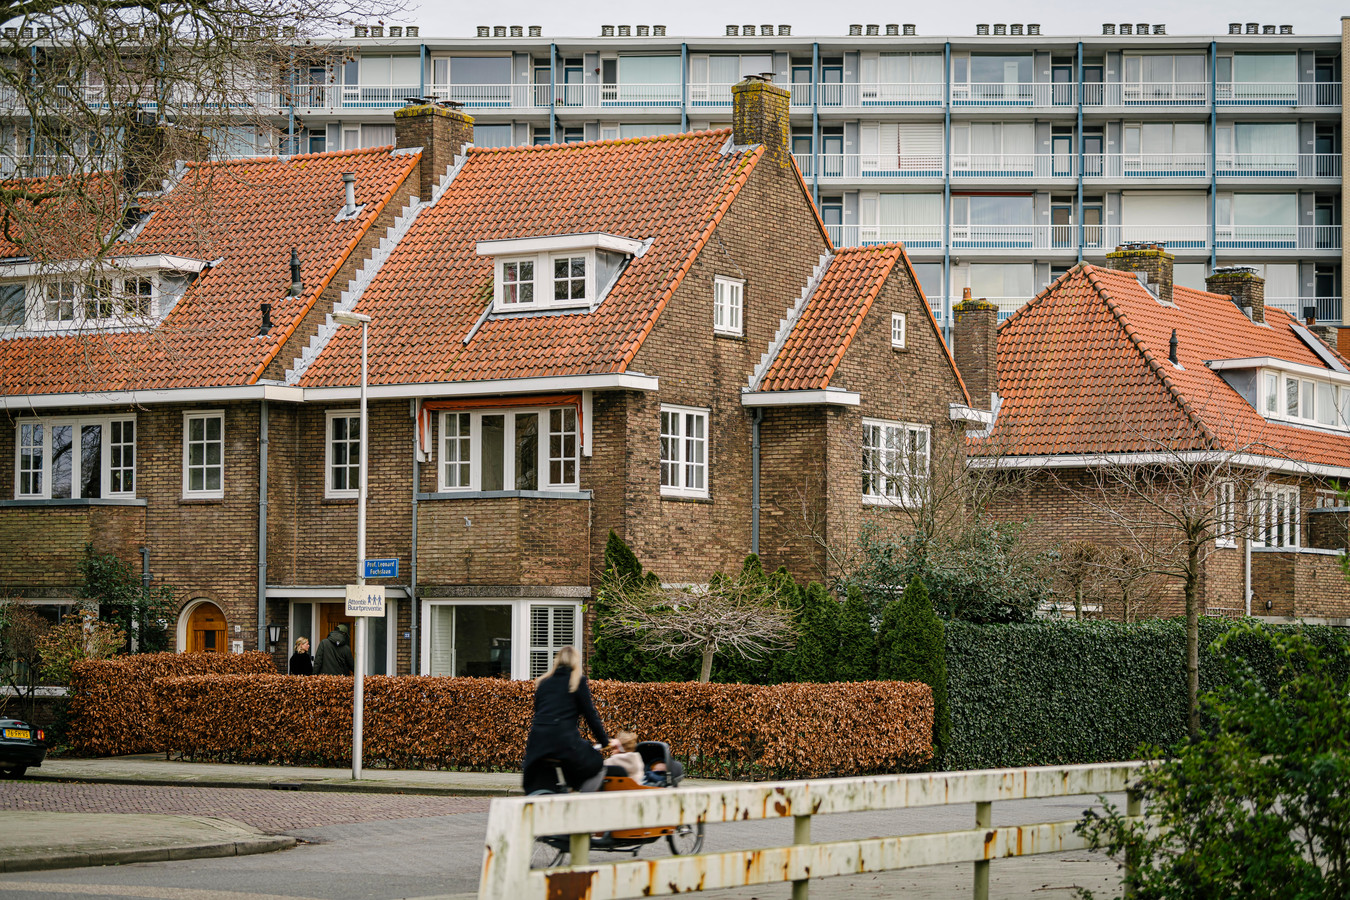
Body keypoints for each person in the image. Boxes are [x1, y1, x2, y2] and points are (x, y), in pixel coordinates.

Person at [522, 646, 618, 795]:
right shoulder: (577, 681)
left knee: (545, 778)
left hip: (538, 743)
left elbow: (539, 711)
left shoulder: (543, 682)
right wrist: (604, 741)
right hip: (563, 741)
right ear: (575, 662)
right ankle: (581, 801)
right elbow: (590, 715)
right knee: (596, 763)